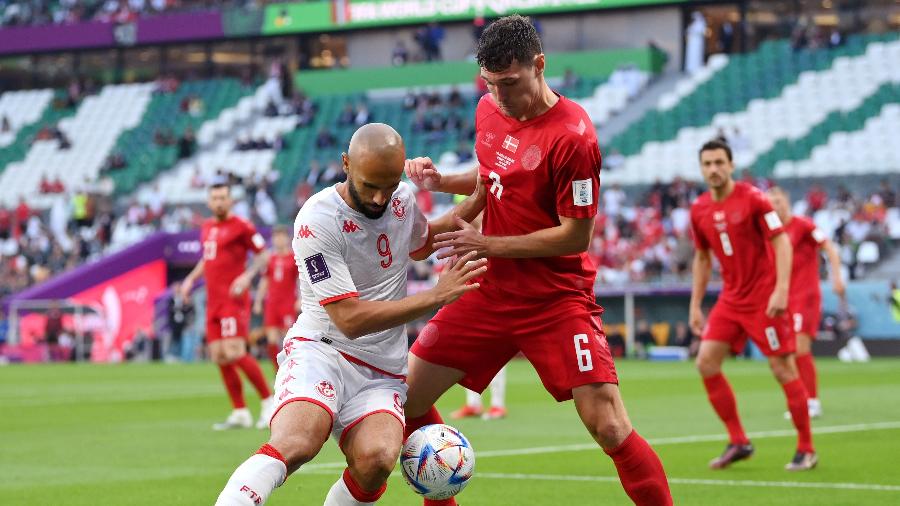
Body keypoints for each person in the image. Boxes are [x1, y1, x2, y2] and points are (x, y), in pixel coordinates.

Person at [403, 16, 671, 506]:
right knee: (405, 400)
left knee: (608, 425)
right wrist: (440, 181)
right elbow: (493, 177)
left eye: (509, 83)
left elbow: (576, 235)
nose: (499, 95)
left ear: (539, 66)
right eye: (490, 84)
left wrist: (490, 245)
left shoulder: (574, 137)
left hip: (555, 300)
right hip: (488, 291)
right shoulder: (488, 110)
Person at [214, 123, 487, 505]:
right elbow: (349, 319)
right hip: (322, 350)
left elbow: (423, 242)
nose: (379, 197)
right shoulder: (316, 221)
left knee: (377, 460)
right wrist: (435, 296)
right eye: (370, 185)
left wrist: (482, 195)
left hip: (382, 369)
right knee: (298, 442)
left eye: (388, 185)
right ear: (346, 164)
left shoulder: (401, 199)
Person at [689, 140, 816, 471]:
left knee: (782, 369)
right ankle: (739, 441)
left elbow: (782, 240)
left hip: (764, 299)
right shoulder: (699, 209)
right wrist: (695, 305)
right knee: (706, 362)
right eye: (707, 164)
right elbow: (702, 259)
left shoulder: (754, 199)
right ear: (701, 169)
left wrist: (782, 290)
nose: (714, 169)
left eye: (719, 162)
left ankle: (806, 448)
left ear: (731, 165)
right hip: (731, 300)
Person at [179, 182, 274, 431]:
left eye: (223, 197)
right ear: (209, 203)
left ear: (230, 201)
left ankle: (268, 402)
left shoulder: (242, 226)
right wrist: (190, 279)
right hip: (214, 301)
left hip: (233, 299)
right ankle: (240, 411)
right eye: (215, 198)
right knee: (219, 355)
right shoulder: (208, 227)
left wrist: (247, 276)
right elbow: (207, 258)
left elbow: (264, 255)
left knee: (235, 351)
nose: (219, 202)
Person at [767, 186, 845, 418]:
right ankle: (800, 400)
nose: (775, 206)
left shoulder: (803, 225)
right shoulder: (770, 231)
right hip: (785, 298)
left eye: (778, 201)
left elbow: (828, 247)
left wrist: (837, 277)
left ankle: (812, 401)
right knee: (787, 353)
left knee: (801, 348)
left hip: (806, 295)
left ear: (787, 202)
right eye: (770, 202)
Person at [253, 226, 300, 371]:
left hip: (287, 303)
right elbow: (265, 281)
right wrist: (258, 301)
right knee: (271, 340)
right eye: (276, 237)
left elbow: (300, 281)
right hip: (272, 303)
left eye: (281, 236)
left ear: (287, 238)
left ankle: (294, 369)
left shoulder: (293, 258)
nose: (278, 240)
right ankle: (278, 372)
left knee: (288, 339)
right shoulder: (270, 259)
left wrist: (300, 299)